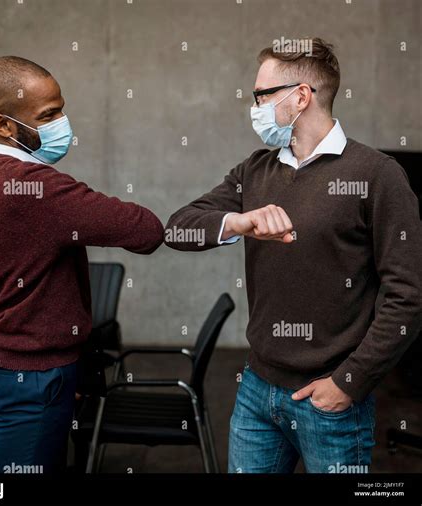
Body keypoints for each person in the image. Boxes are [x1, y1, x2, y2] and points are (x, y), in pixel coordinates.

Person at [164, 38, 422, 473]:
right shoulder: (255, 169)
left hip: (331, 402)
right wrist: (240, 221)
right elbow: (177, 228)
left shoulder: (377, 175)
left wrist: (349, 382)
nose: (254, 106)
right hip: (255, 392)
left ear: (300, 97)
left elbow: (407, 295)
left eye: (261, 95)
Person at [0, 56, 164, 473]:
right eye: (49, 114)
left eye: (61, 108)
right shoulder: (32, 186)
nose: (63, 123)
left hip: (14, 359)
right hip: (33, 372)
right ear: (3, 124)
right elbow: (144, 230)